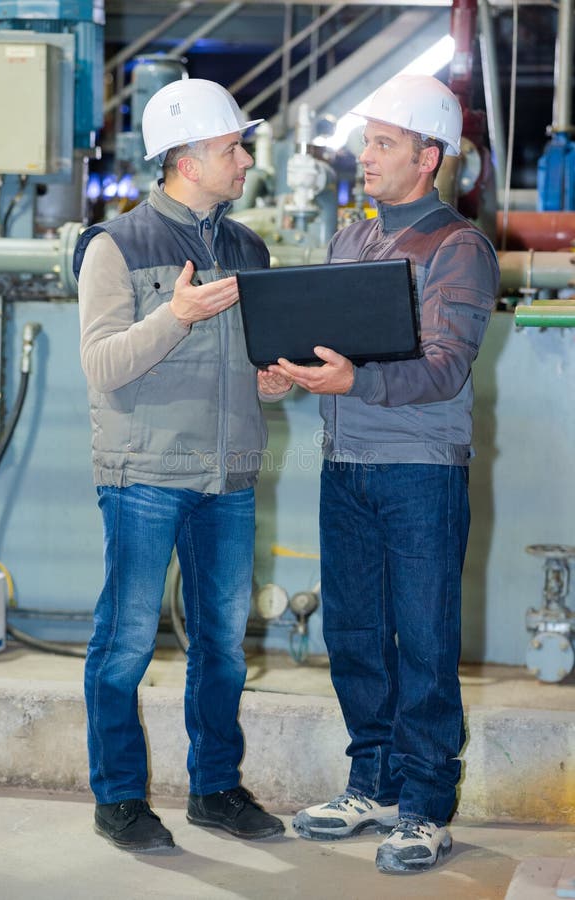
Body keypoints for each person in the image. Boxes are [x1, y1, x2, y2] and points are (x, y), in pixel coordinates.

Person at [264, 74, 500, 874]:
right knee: (355, 634)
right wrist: (289, 371)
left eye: (384, 144)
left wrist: (353, 381)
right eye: (366, 142)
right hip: (346, 465)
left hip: (420, 473)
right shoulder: (350, 241)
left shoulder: (458, 248)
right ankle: (373, 784)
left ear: (428, 157)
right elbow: (332, 351)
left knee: (426, 640)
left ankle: (427, 805)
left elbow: (445, 367)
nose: (365, 156)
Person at [73, 78, 292, 853]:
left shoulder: (248, 249)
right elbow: (103, 365)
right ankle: (119, 798)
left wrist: (267, 379)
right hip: (145, 475)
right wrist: (176, 314)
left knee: (224, 646)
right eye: (234, 147)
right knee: (126, 643)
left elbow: (245, 360)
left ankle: (215, 789)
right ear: (189, 161)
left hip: (227, 477)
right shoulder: (116, 246)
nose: (246, 160)